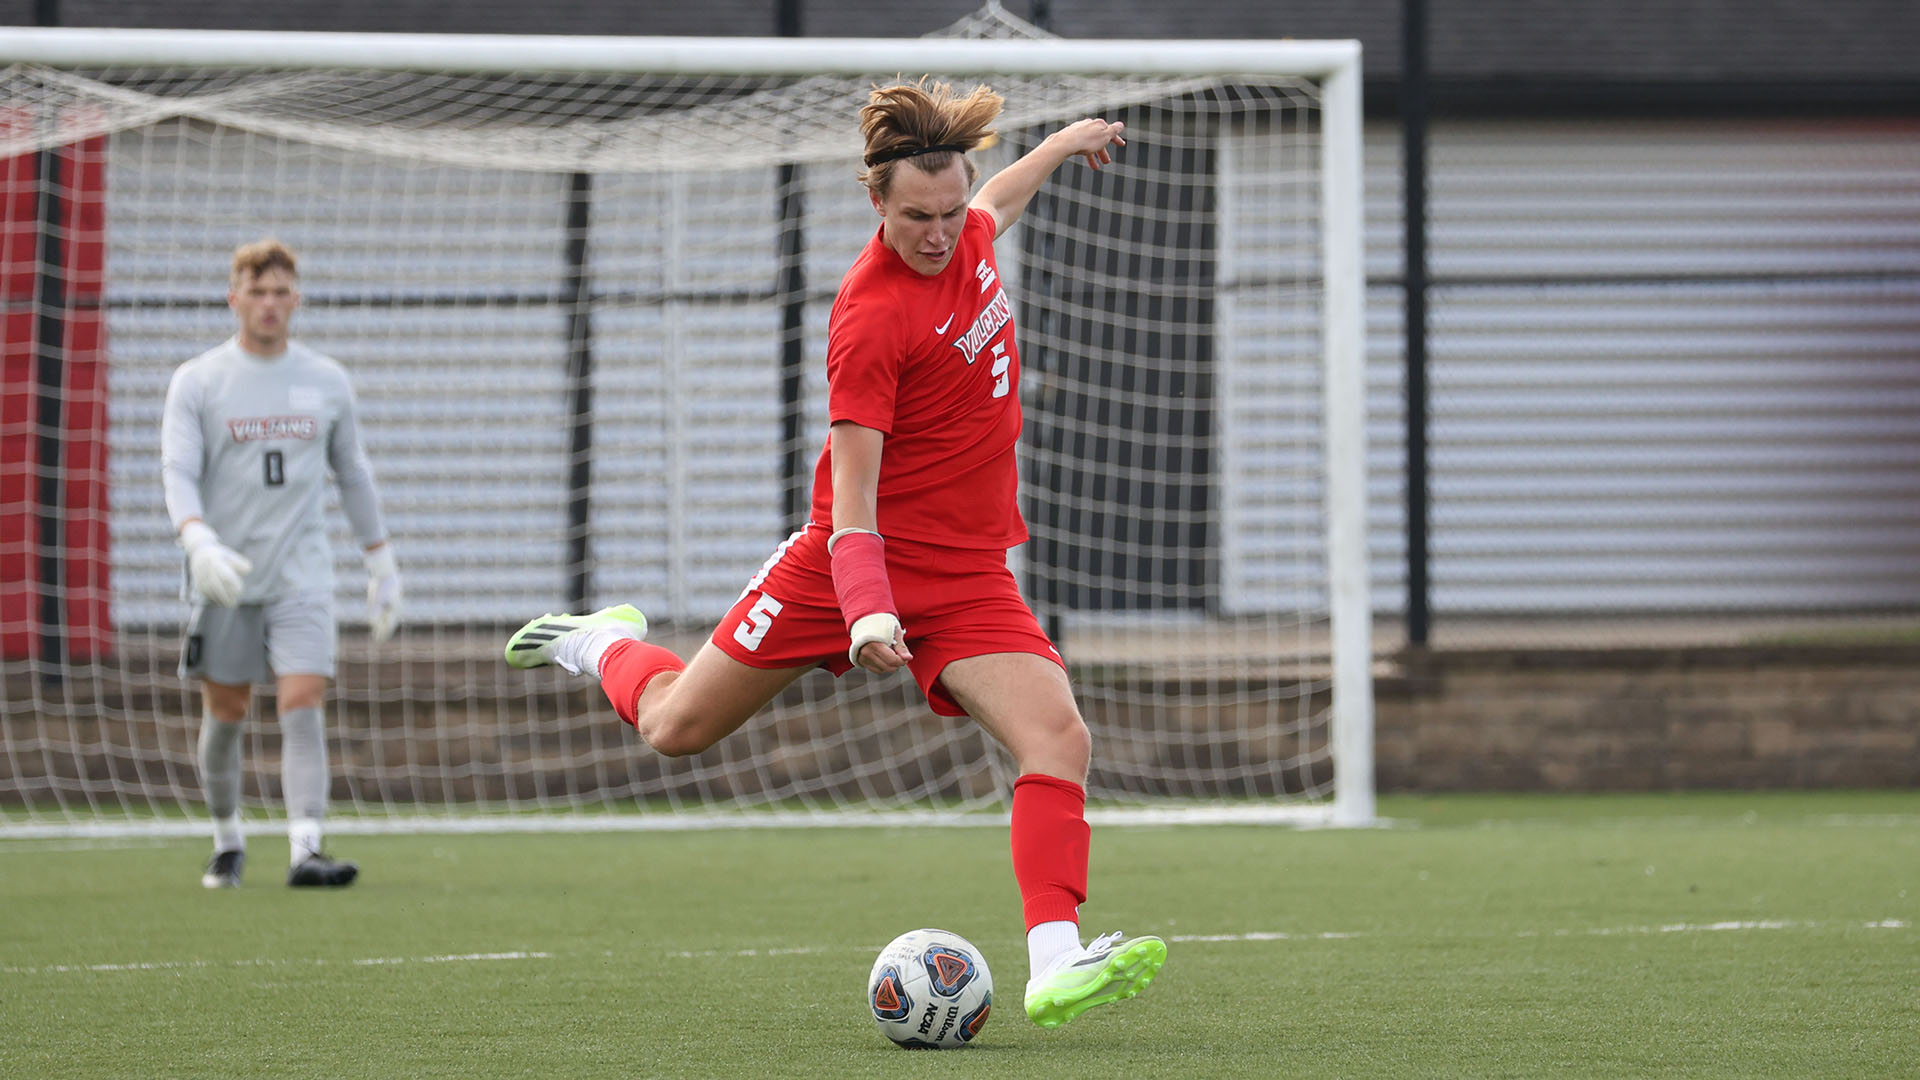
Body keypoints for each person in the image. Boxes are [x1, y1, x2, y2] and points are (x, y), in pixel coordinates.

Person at [505, 80, 1164, 1030]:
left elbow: (999, 201)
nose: (938, 235)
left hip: (969, 574)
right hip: (845, 567)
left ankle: (1055, 962)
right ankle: (598, 642)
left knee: (1058, 737)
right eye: (916, 218)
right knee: (677, 727)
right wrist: (866, 608)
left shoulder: (967, 229)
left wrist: (1062, 142)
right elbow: (852, 500)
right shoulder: (868, 318)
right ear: (876, 203)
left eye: (948, 211)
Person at [161, 238, 401, 889]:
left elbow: (352, 473)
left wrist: (380, 561)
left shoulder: (325, 379)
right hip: (226, 576)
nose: (269, 304)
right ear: (233, 297)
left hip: (303, 574)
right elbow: (178, 471)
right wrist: (198, 541)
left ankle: (306, 849)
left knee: (301, 699)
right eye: (256, 292)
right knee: (227, 712)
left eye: (280, 292)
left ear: (296, 299)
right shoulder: (199, 380)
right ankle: (227, 839)